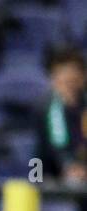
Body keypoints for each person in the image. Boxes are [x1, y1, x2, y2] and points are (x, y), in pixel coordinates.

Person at [36, 46, 87, 185]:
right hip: (51, 174)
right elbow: (42, 156)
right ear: (53, 79)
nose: (68, 84)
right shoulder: (45, 108)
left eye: (73, 79)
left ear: (83, 78)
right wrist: (69, 165)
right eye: (62, 77)